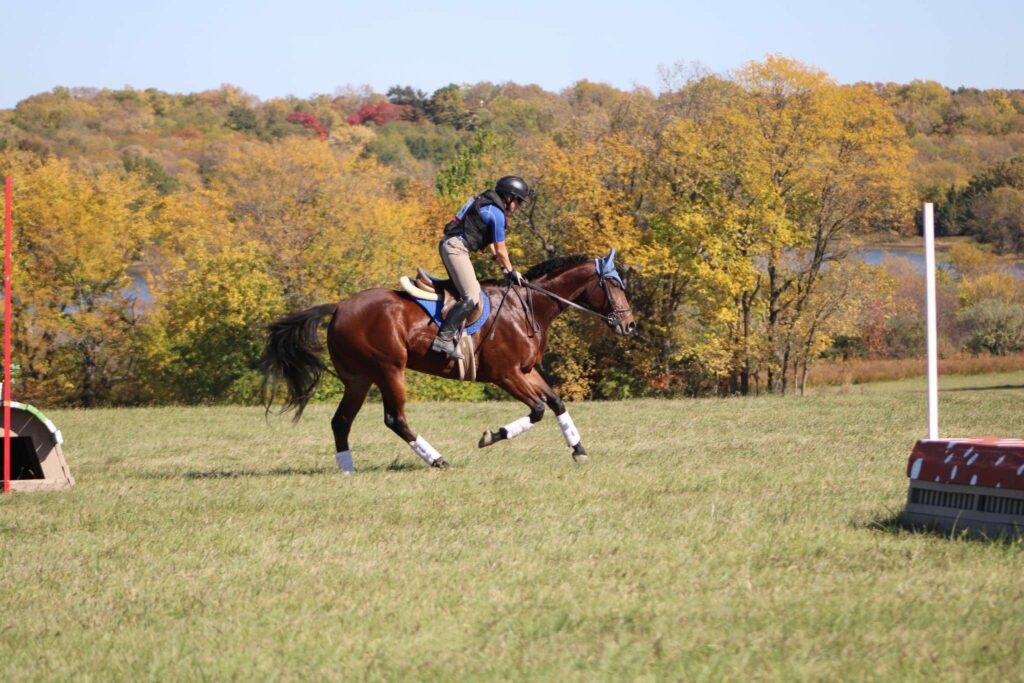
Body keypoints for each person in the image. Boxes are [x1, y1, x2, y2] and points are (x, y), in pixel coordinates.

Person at [431, 175, 531, 360]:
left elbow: (491, 245)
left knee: (470, 290)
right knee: (472, 296)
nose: (518, 206)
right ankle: (443, 339)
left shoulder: (488, 204)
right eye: (518, 201)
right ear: (509, 197)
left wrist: (503, 270)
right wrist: (511, 271)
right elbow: (501, 250)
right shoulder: (497, 214)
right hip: (456, 249)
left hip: (453, 245)